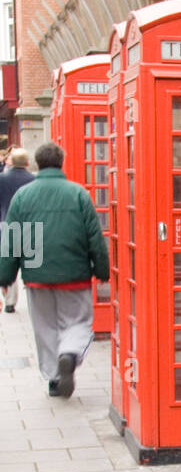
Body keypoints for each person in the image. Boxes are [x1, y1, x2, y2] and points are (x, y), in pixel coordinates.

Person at [0, 141, 109, 397]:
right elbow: (94, 236)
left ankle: (53, 378)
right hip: (75, 272)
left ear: (37, 164)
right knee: (78, 322)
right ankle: (69, 354)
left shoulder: (23, 196)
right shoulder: (78, 193)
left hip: (37, 272)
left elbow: (14, 240)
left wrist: (6, 275)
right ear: (62, 162)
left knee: (45, 328)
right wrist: (102, 269)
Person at [0, 148, 35, 312]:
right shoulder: (33, 180)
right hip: (31, 226)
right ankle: (33, 299)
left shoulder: (2, 179)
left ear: (11, 162)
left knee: (8, 263)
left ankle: (9, 301)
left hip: (7, 224)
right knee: (32, 264)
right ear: (27, 163)